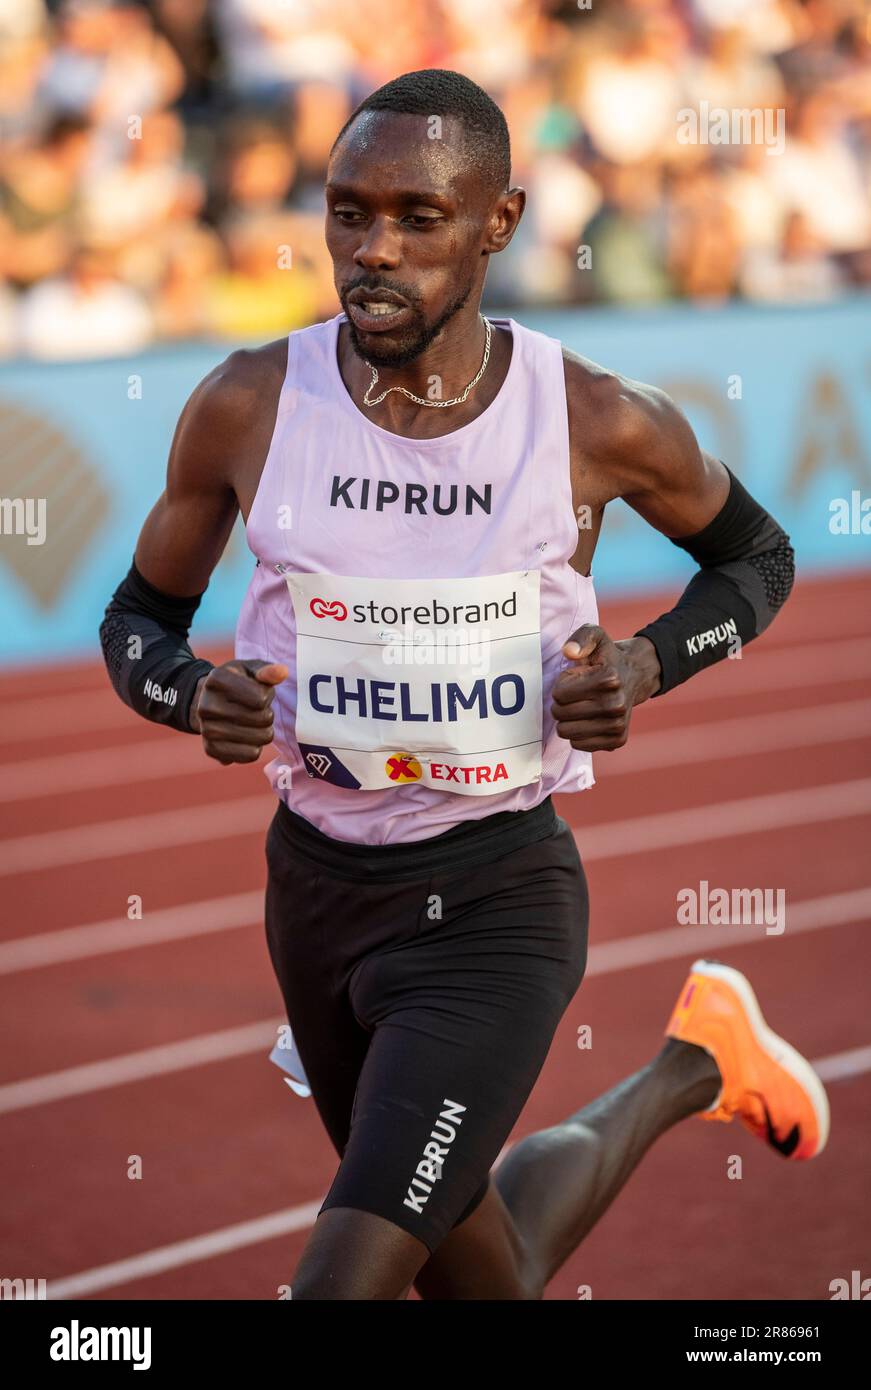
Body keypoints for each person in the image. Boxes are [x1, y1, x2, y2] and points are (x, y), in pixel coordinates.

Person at [100, 69, 828, 1301]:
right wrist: (188, 692)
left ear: (498, 223)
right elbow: (138, 622)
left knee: (347, 1277)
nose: (371, 251)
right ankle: (692, 1068)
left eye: (418, 218)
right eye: (346, 213)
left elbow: (757, 558)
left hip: (494, 899)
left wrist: (649, 662)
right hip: (316, 893)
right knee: (483, 1275)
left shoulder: (595, 417)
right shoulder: (246, 403)